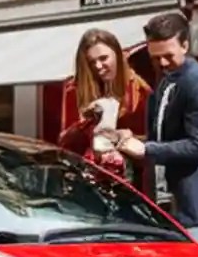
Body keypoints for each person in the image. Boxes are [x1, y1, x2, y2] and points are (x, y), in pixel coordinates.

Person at [115, 12, 198, 249]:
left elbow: (196, 145)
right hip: (172, 203)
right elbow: (165, 136)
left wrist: (145, 149)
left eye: (168, 56)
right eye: (155, 57)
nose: (162, 63)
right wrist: (134, 140)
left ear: (185, 45)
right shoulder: (168, 79)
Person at [57, 28, 151, 186]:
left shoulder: (139, 89)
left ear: (118, 55)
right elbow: (64, 143)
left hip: (132, 181)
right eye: (91, 62)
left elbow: (153, 141)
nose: (98, 66)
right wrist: (86, 124)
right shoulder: (74, 89)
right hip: (87, 179)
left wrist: (127, 136)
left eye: (103, 58)